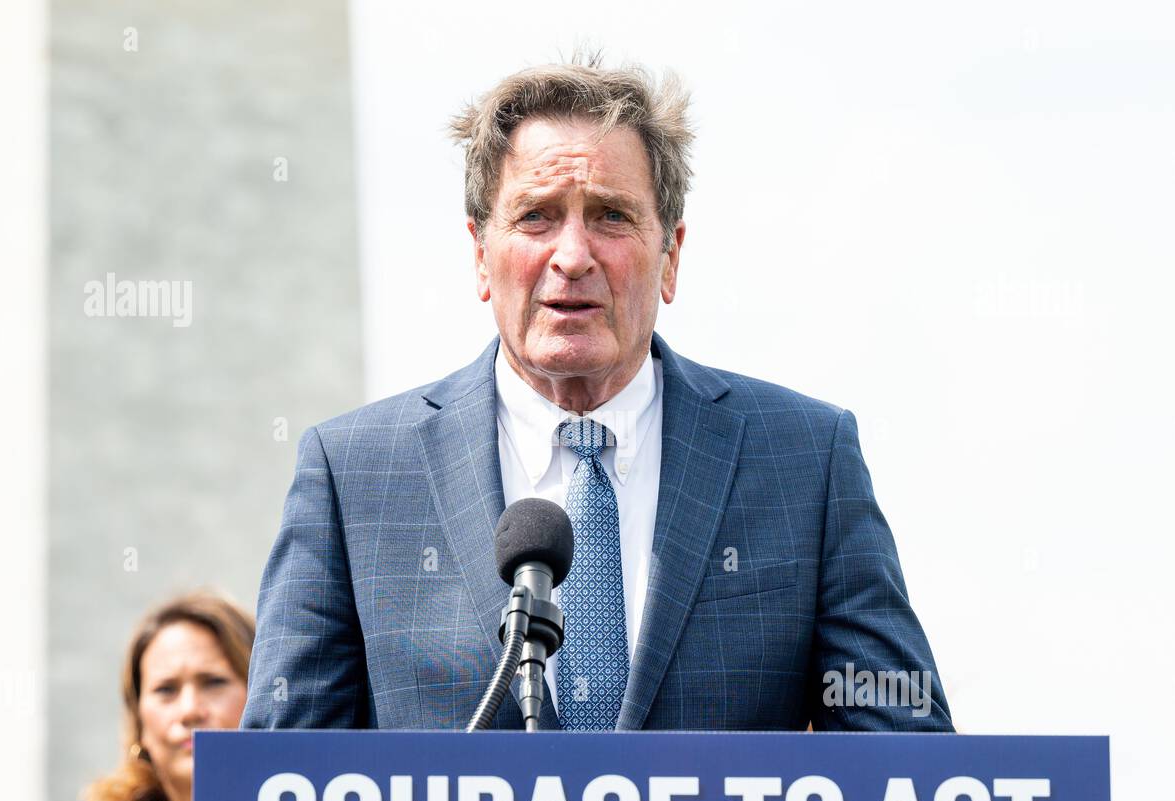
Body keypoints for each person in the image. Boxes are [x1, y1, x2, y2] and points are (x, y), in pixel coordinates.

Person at [242, 55, 952, 733]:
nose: (574, 255)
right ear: (480, 255)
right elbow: (275, 794)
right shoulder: (355, 475)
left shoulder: (804, 462)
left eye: (611, 215)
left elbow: (908, 760)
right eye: (536, 216)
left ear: (671, 256)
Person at [34, 590, 254, 801]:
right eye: (166, 689)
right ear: (139, 722)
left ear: (260, 694)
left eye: (213, 682)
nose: (190, 710)